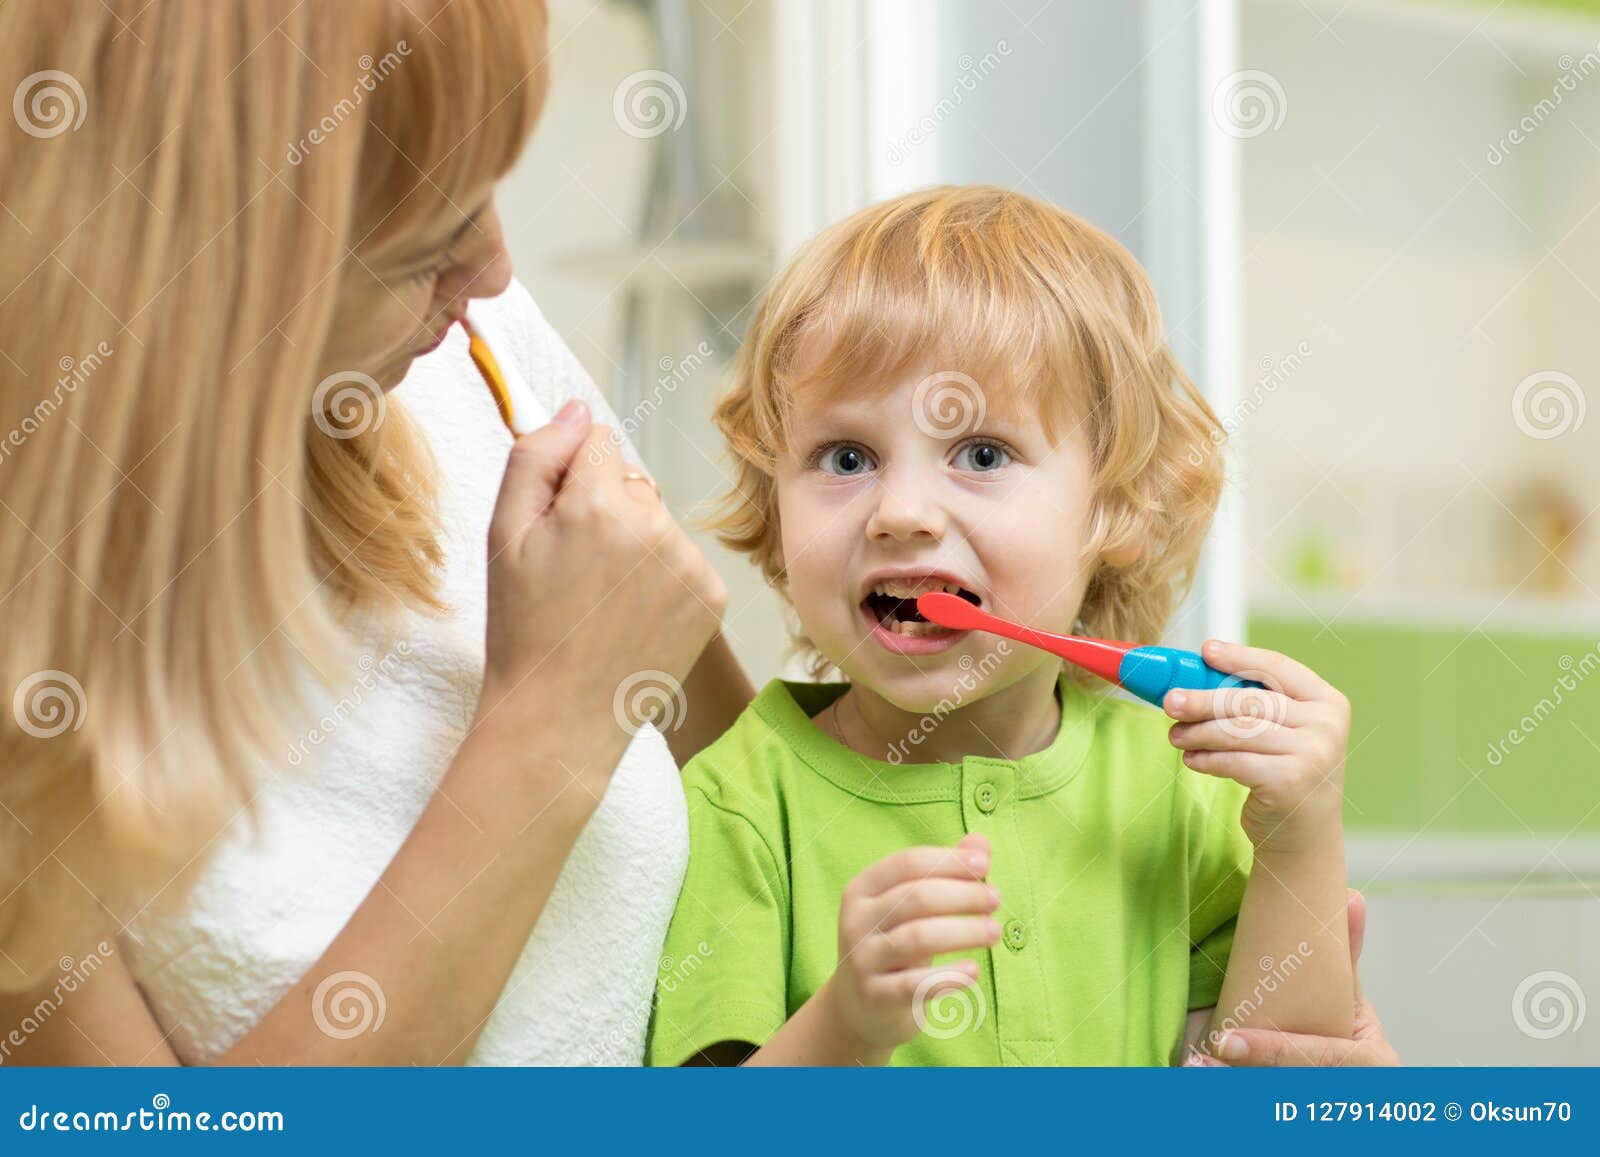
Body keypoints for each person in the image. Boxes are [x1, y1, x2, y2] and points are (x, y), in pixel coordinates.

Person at [0, 0, 746, 1065]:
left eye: (487, 184)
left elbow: (765, 817)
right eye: (424, 243)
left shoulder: (466, 353)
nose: (493, 268)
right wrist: (549, 720)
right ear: (201, 278)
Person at [647, 187, 1356, 1066]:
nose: (901, 512)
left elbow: (1273, 1086)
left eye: (981, 454)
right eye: (846, 458)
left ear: (1117, 510)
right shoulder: (743, 802)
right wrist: (843, 1028)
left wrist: (1300, 834)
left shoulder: (1182, 787)